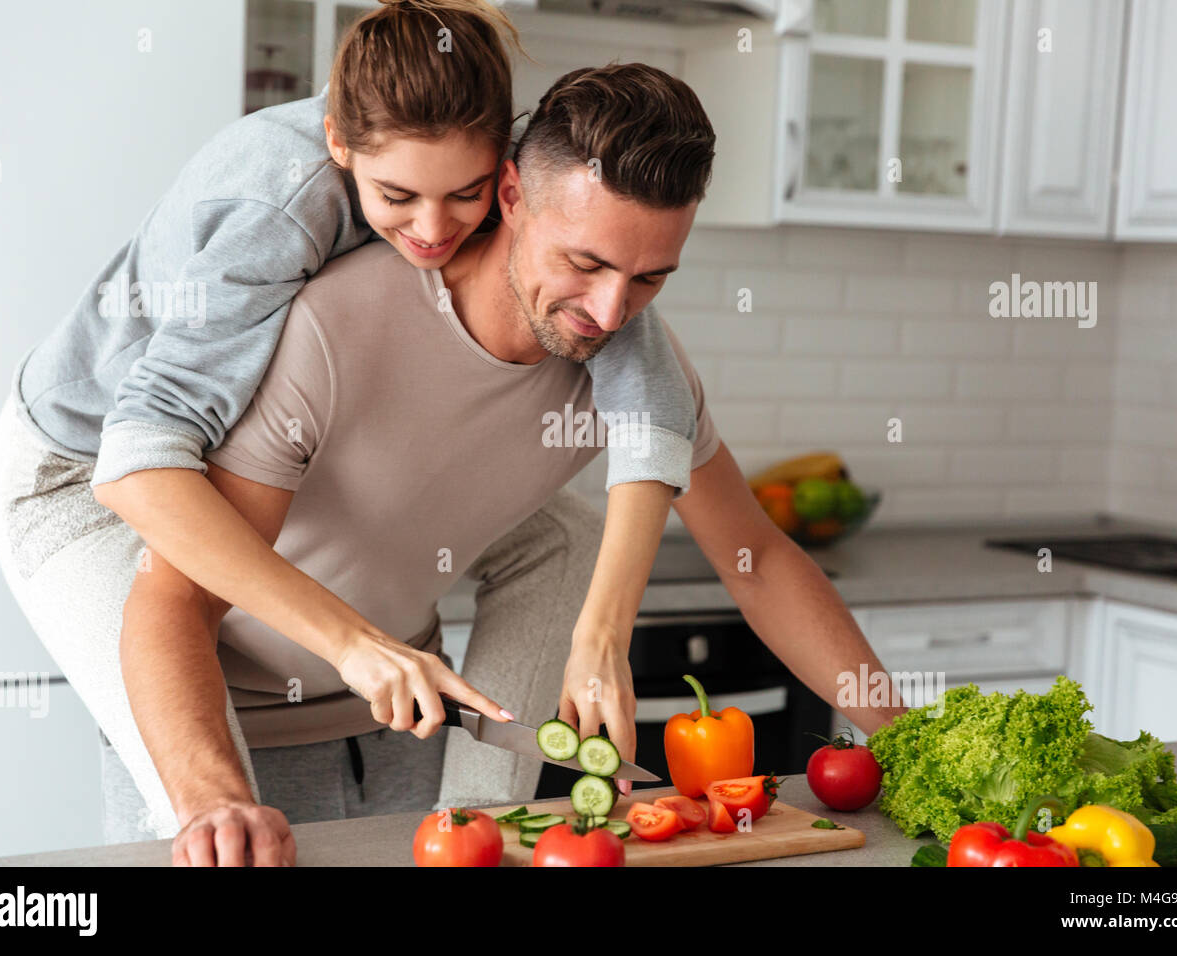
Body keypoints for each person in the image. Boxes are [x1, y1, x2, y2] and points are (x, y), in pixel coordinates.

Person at [122, 60, 909, 866]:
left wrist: (911, 742)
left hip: (405, 732)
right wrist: (215, 797)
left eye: (648, 279)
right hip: (226, 737)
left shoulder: (633, 368)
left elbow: (762, 561)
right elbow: (174, 596)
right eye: (586, 263)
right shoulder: (331, 328)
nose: (610, 312)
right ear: (508, 196)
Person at [0, 0, 698, 846]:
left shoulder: (510, 191)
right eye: (397, 197)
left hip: (206, 441)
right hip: (82, 471)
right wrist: (355, 641)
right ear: (337, 142)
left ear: (503, 170)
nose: (434, 231)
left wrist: (604, 631)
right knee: (205, 791)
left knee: (565, 536)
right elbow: (138, 460)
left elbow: (626, 332)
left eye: (465, 197)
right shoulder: (276, 211)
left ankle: (482, 820)